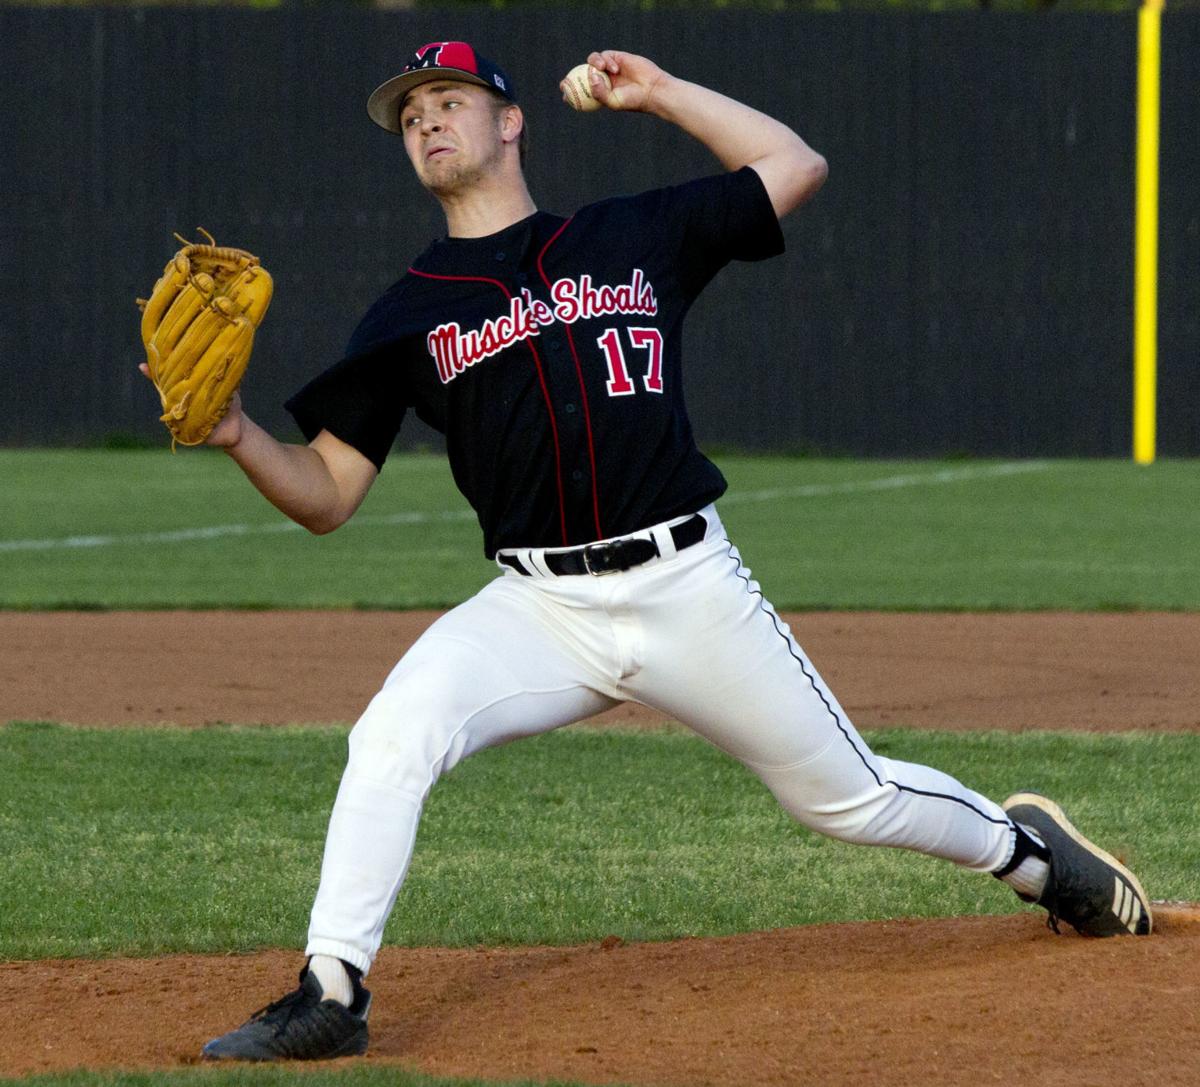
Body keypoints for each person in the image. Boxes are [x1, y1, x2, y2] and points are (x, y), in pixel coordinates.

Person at [186, 42, 1152, 1062]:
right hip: (539, 609)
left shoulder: (630, 235)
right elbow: (330, 493)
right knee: (391, 736)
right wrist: (240, 434)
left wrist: (659, 94)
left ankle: (1032, 856)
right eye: (410, 112)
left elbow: (796, 166)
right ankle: (331, 991)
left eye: (449, 100)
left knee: (849, 800)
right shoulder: (408, 311)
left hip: (684, 583)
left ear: (511, 122)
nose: (426, 120)